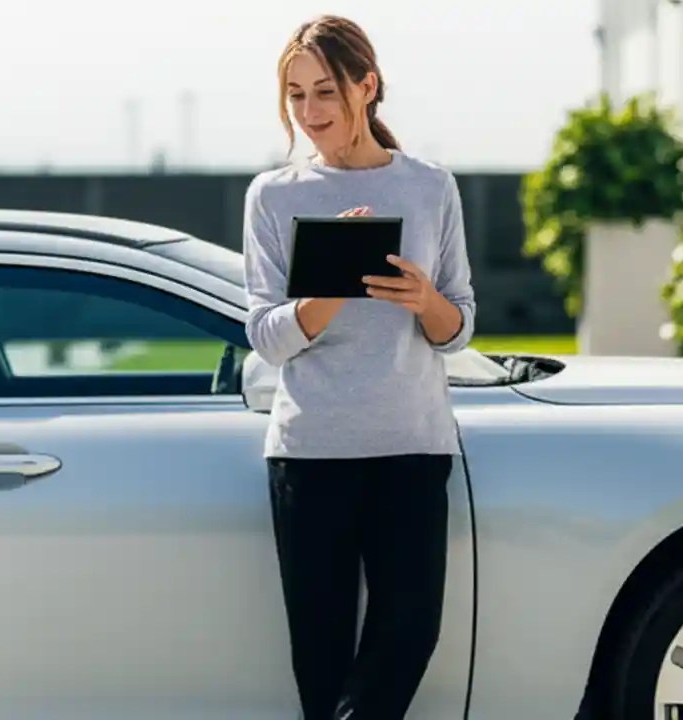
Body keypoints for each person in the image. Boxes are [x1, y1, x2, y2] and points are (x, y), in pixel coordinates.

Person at [240, 14, 476, 720]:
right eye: (296, 95)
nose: (309, 112)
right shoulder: (273, 195)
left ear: (366, 87)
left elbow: (458, 327)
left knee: (411, 633)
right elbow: (267, 337)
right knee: (320, 659)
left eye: (325, 92)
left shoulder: (430, 187)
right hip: (311, 455)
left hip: (412, 448)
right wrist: (329, 287)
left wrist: (425, 300)